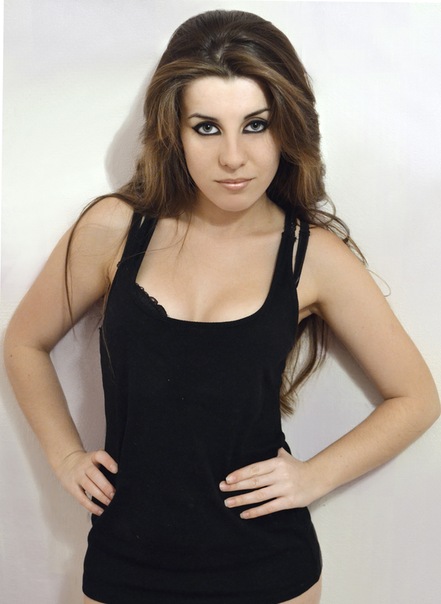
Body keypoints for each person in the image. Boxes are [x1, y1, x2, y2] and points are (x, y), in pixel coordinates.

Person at [4, 9, 439, 604]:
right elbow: (24, 342)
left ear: (286, 129)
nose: (233, 157)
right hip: (125, 558)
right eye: (207, 127)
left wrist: (313, 477)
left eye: (255, 125)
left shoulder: (311, 254)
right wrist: (64, 457)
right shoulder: (113, 229)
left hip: (268, 566)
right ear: (174, 132)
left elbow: (416, 397)